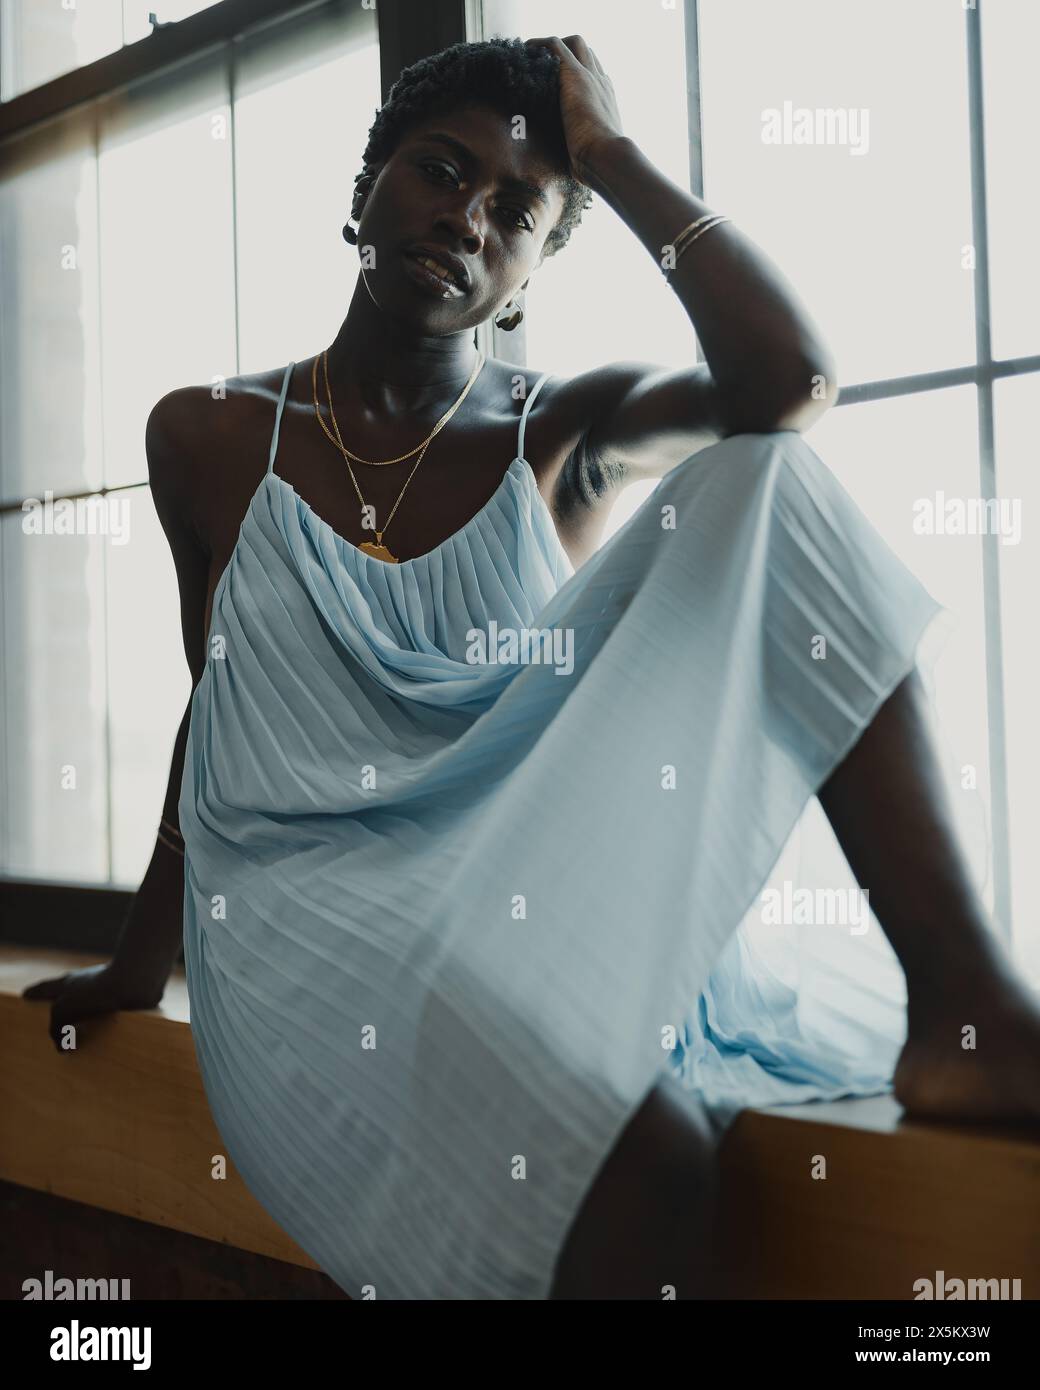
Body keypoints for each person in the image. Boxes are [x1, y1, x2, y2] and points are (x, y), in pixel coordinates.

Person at [25, 35, 1040, 1301]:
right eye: (439, 171)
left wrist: (610, 160)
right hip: (306, 907)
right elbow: (219, 701)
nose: (465, 214)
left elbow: (791, 383)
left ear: (521, 285)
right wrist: (138, 957)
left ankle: (968, 1011)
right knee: (645, 1157)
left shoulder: (561, 431)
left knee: (768, 473)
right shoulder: (206, 434)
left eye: (515, 211)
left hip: (512, 878)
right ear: (362, 192)